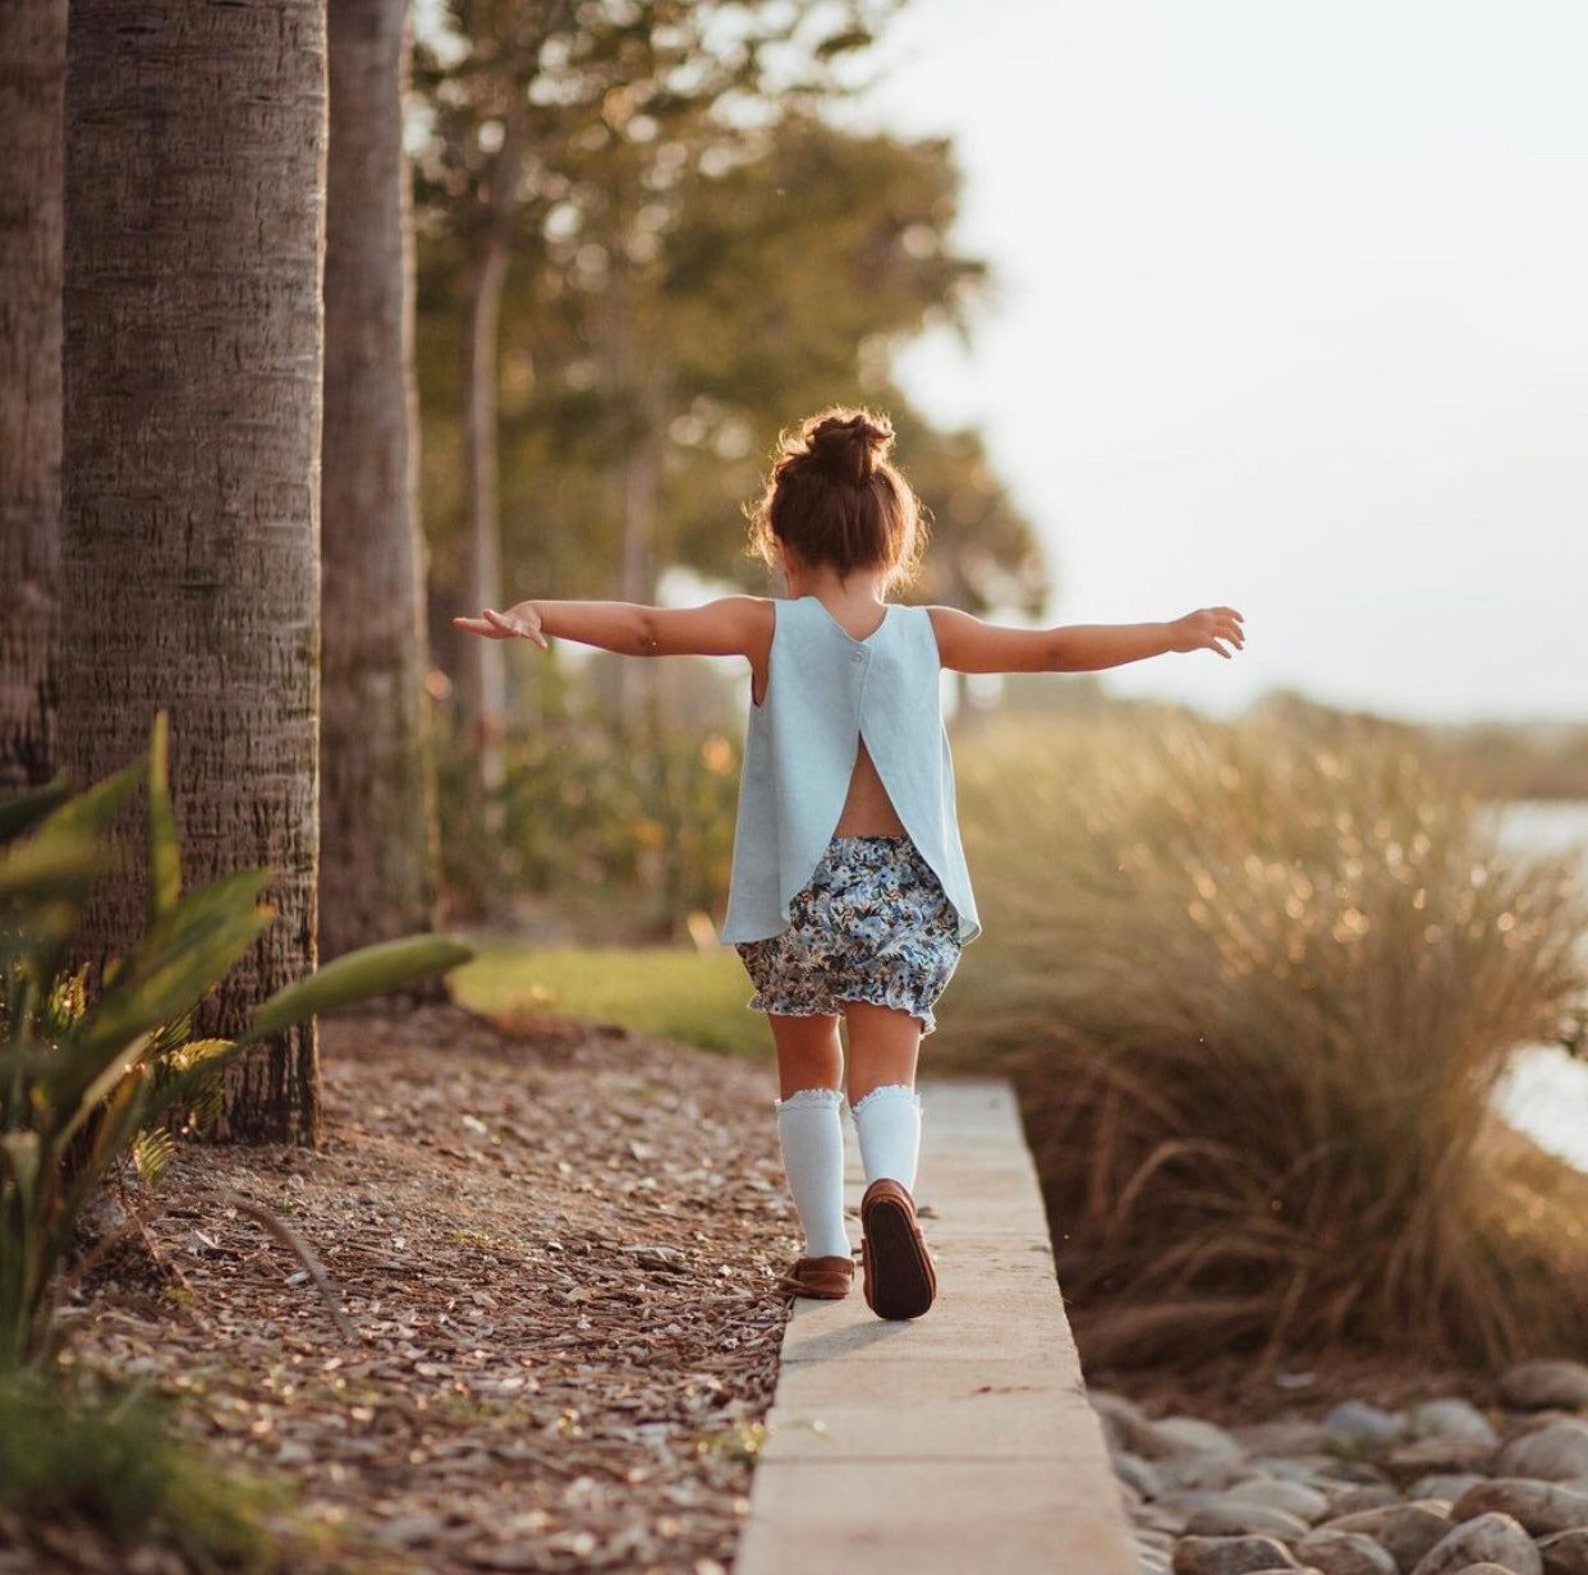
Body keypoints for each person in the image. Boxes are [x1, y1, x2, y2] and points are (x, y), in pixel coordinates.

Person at [455, 407, 1244, 1321]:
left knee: (807, 1069)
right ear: (895, 540)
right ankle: (893, 1195)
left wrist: (540, 614)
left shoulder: (766, 628)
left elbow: (641, 628)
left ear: (783, 543)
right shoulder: (930, 633)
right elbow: (1057, 650)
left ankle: (827, 1252)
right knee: (884, 1073)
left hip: (800, 892)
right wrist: (1172, 631)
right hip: (901, 891)